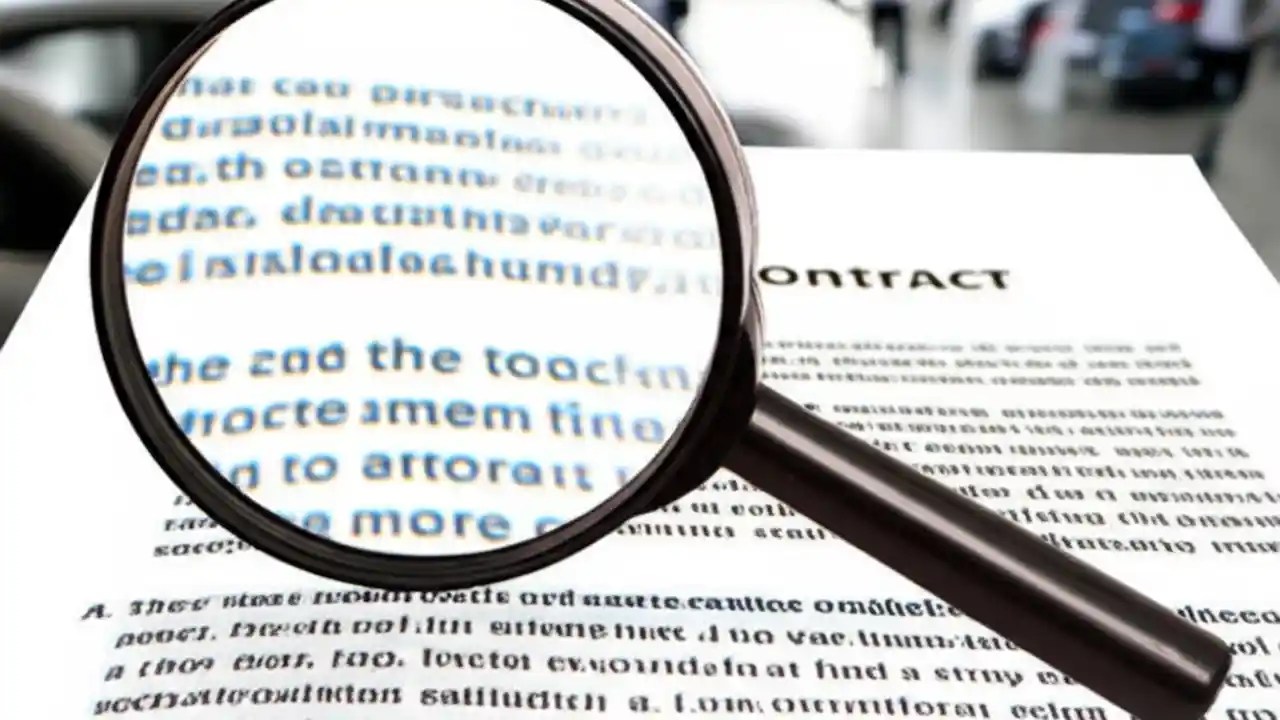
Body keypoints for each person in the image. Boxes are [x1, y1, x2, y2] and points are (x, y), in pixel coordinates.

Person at [1192, 0, 1280, 175]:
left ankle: (1209, 145)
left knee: (1230, 99)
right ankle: (1204, 145)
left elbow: (1272, 9)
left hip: (1238, 48)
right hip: (1206, 44)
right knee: (1205, 98)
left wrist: (1256, 30)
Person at [870, 0, 909, 77]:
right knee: (878, 42)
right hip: (882, 7)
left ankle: (900, 68)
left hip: (893, 7)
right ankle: (877, 69)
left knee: (898, 42)